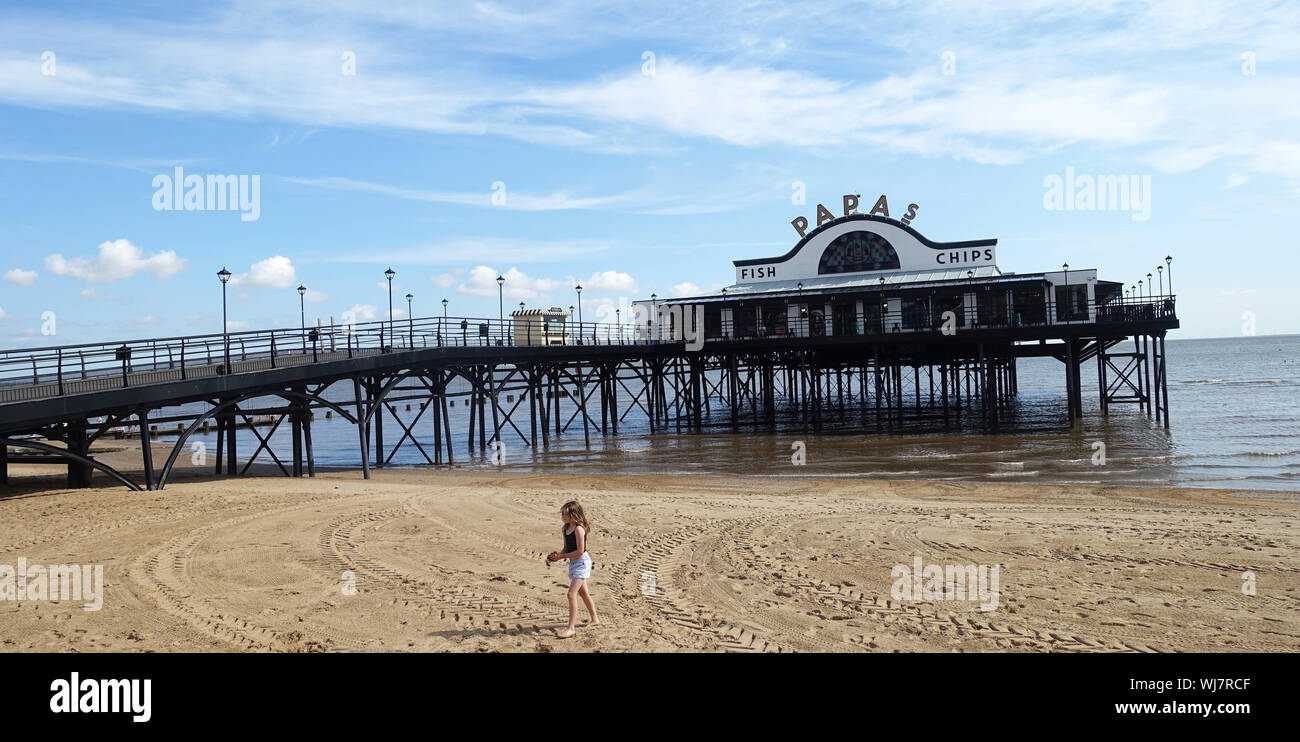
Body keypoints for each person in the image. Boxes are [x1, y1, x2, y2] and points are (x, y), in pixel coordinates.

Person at [546, 500, 599, 638]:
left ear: (574, 514)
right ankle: (595, 619)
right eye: (562, 514)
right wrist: (557, 556)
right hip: (574, 563)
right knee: (583, 594)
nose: (563, 516)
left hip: (582, 563)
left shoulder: (579, 529)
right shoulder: (565, 528)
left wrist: (563, 556)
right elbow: (567, 548)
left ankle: (571, 628)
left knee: (571, 594)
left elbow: (580, 551)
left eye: (566, 514)